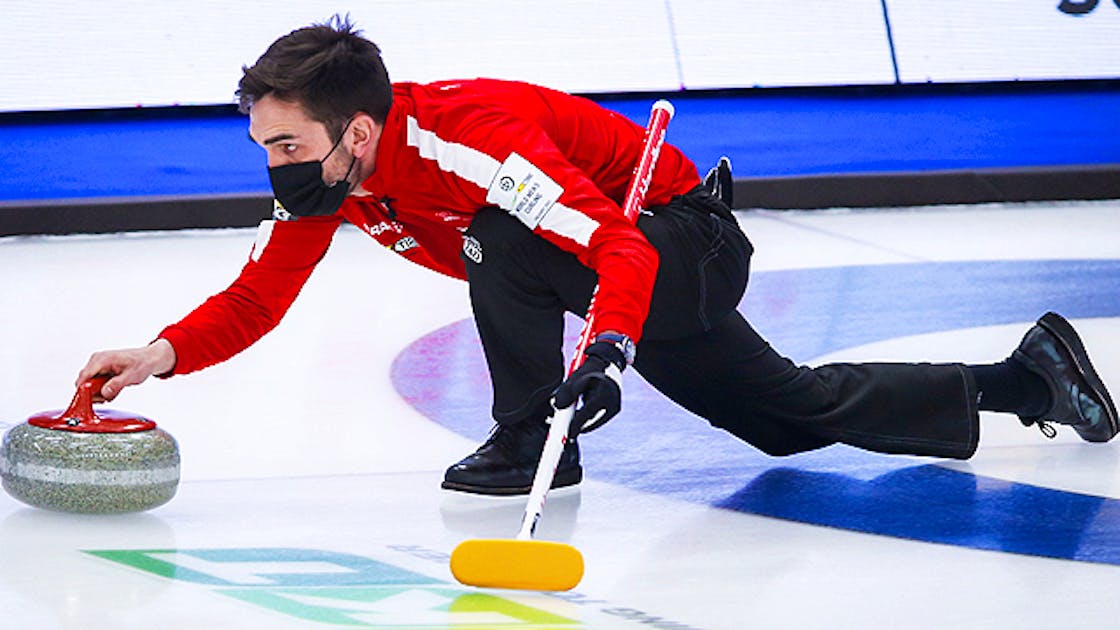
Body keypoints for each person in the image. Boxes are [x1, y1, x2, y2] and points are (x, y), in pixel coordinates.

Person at [78, 17, 1117, 497]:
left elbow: (611, 240)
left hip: (680, 242)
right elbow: (258, 295)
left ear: (357, 128)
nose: (275, 163)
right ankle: (1021, 377)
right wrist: (157, 355)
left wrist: (609, 347)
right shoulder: (331, 182)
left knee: (498, 235)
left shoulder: (464, 140)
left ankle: (530, 443)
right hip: (614, 265)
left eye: (287, 142)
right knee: (777, 414)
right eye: (263, 144)